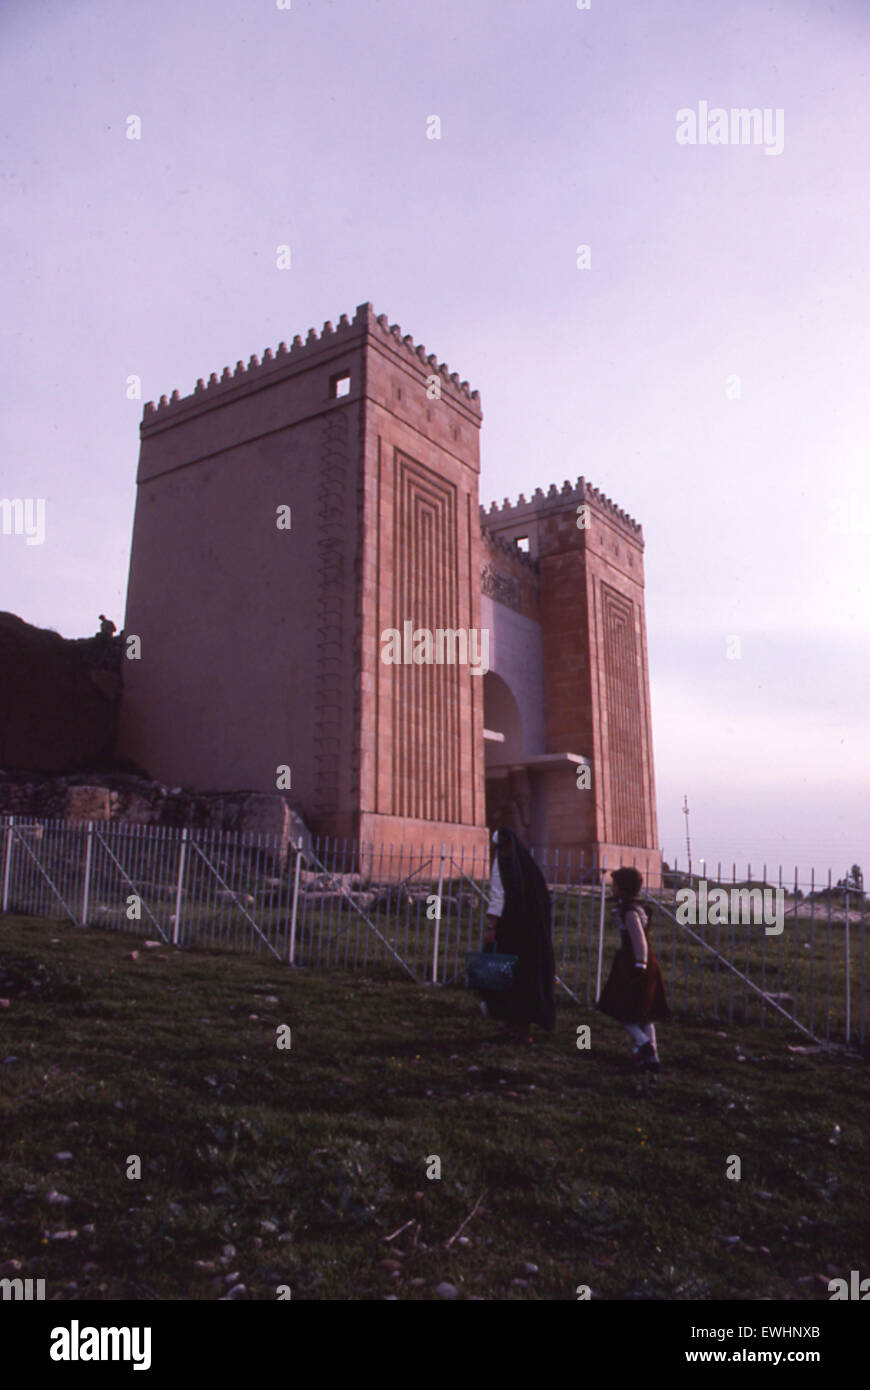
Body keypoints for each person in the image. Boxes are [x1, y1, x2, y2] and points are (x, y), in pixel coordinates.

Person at [480, 826, 556, 1044]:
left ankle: (512, 1025)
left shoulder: (501, 864)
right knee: (527, 979)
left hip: (510, 931)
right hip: (532, 935)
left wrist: (491, 927)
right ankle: (521, 1029)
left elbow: (497, 897)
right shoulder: (527, 866)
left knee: (507, 978)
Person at [597, 866, 670, 1071]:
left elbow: (638, 940)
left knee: (623, 1009)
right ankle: (651, 1057)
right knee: (644, 1012)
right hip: (644, 962)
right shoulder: (639, 908)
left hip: (633, 963)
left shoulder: (629, 912)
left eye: (615, 885)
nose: (612, 889)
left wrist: (640, 964)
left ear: (623, 888)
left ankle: (644, 1044)